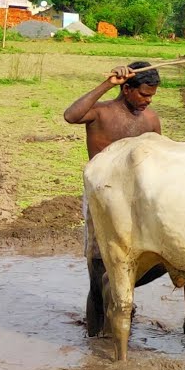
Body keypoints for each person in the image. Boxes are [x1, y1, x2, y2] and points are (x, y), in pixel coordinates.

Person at [64, 61, 167, 337]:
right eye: (143, 94)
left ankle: (120, 294)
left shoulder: (151, 121)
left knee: (157, 260)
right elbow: (71, 116)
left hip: (137, 200)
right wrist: (107, 83)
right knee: (98, 270)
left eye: (152, 96)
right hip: (103, 198)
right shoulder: (101, 113)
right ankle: (95, 335)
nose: (147, 101)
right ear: (127, 88)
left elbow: (159, 160)